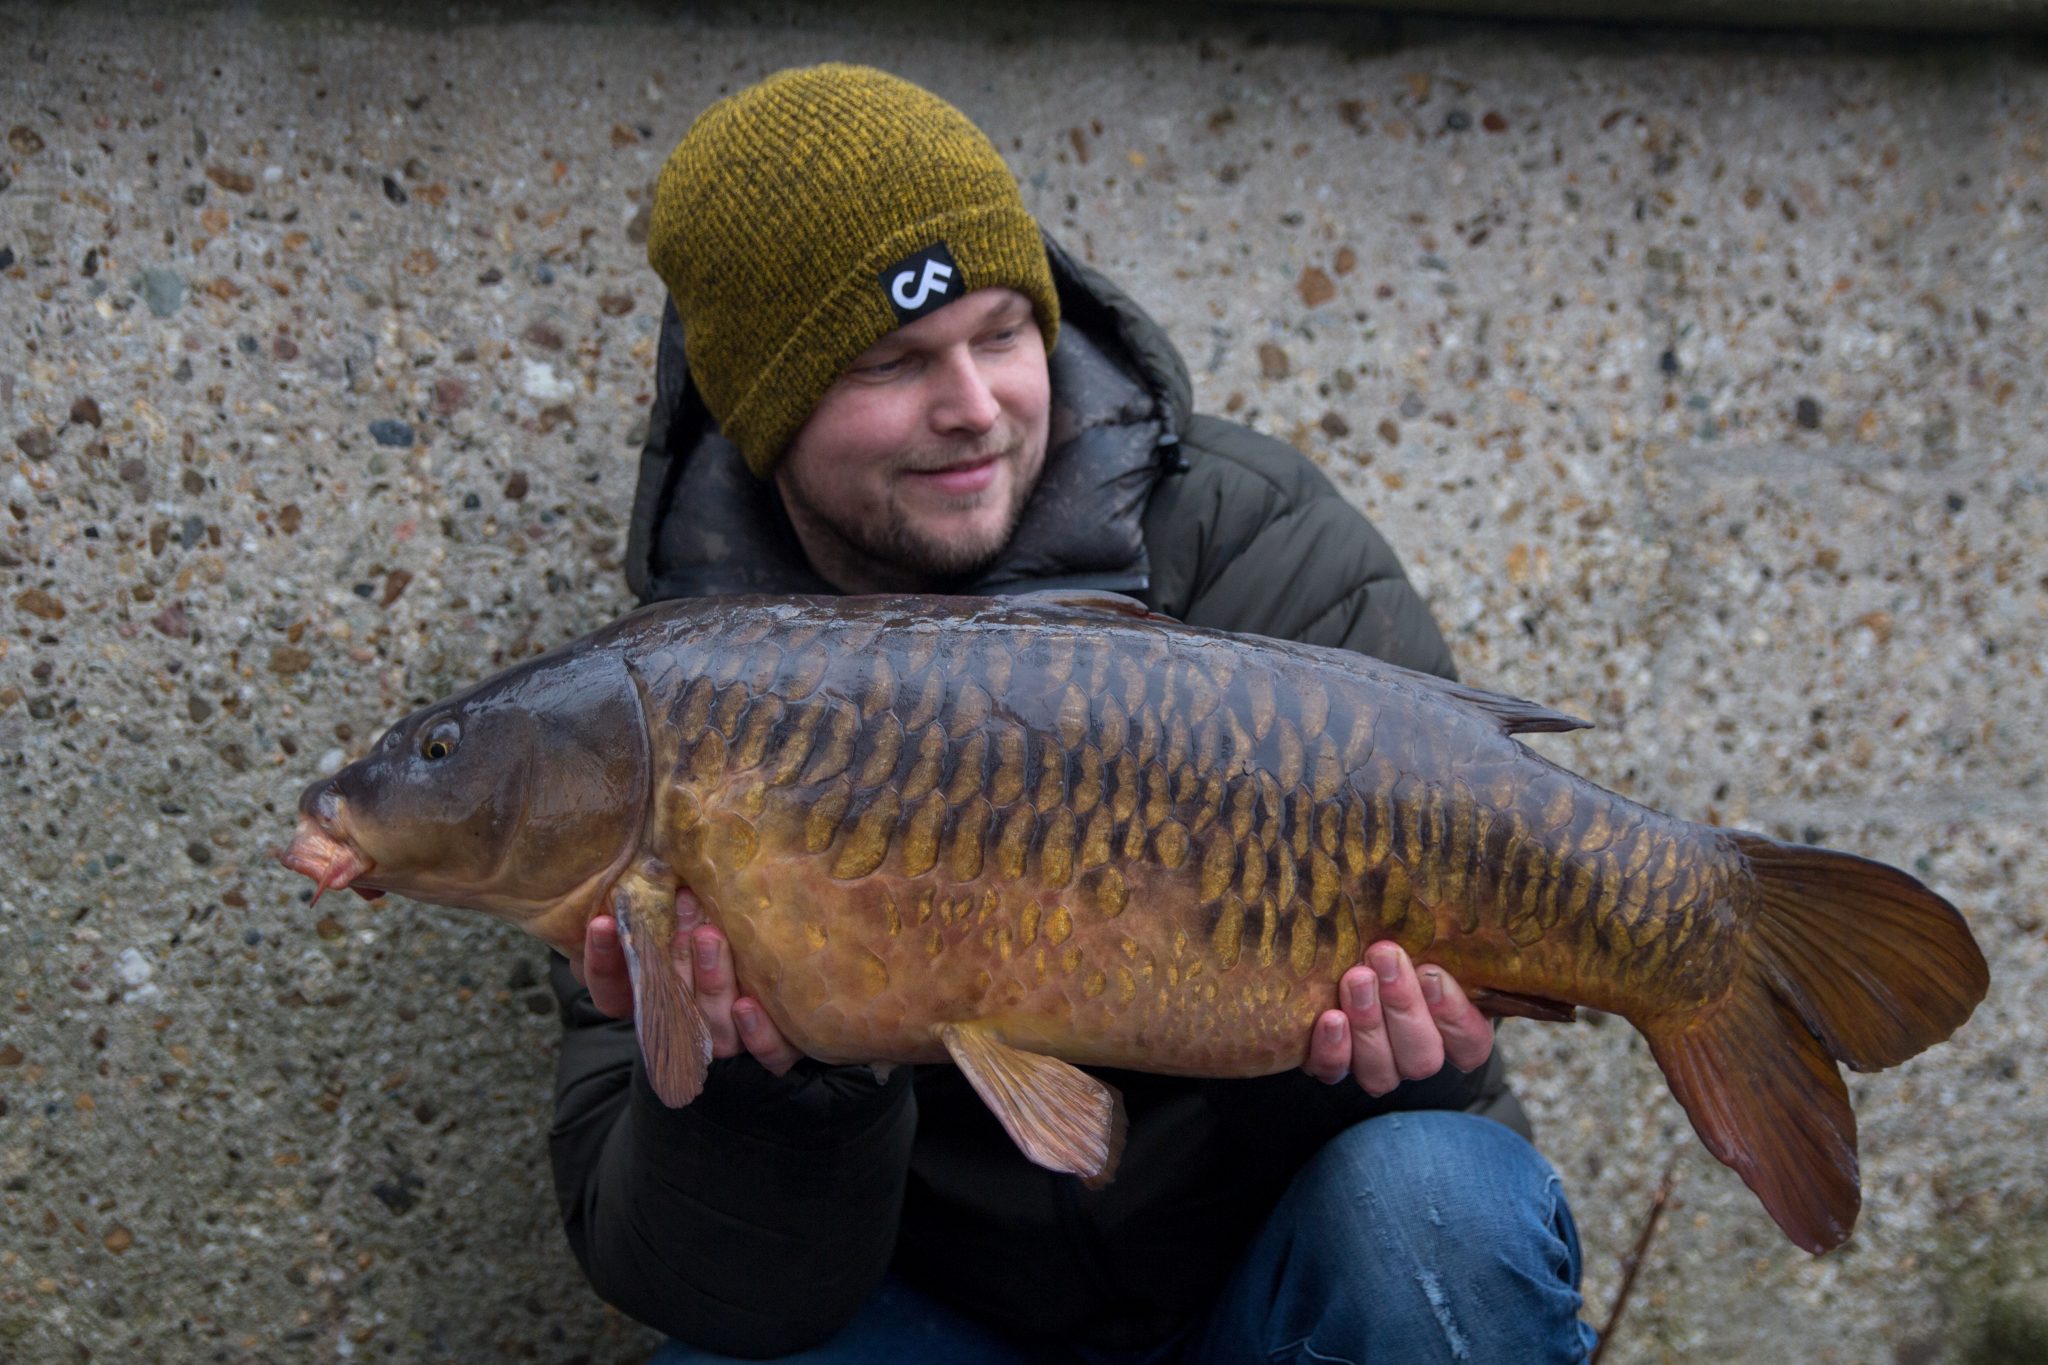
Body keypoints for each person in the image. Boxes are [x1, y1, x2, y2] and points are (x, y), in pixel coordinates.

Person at [548, 64, 1598, 1364]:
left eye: (1001, 334)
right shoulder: (663, 714)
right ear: (765, 408)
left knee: (1437, 1206)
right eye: (894, 361)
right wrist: (781, 1088)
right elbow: (696, 1280)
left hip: (1256, 1283)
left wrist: (1384, 1055)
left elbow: (1451, 1097)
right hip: (932, 1313)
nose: (975, 407)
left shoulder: (1257, 551)